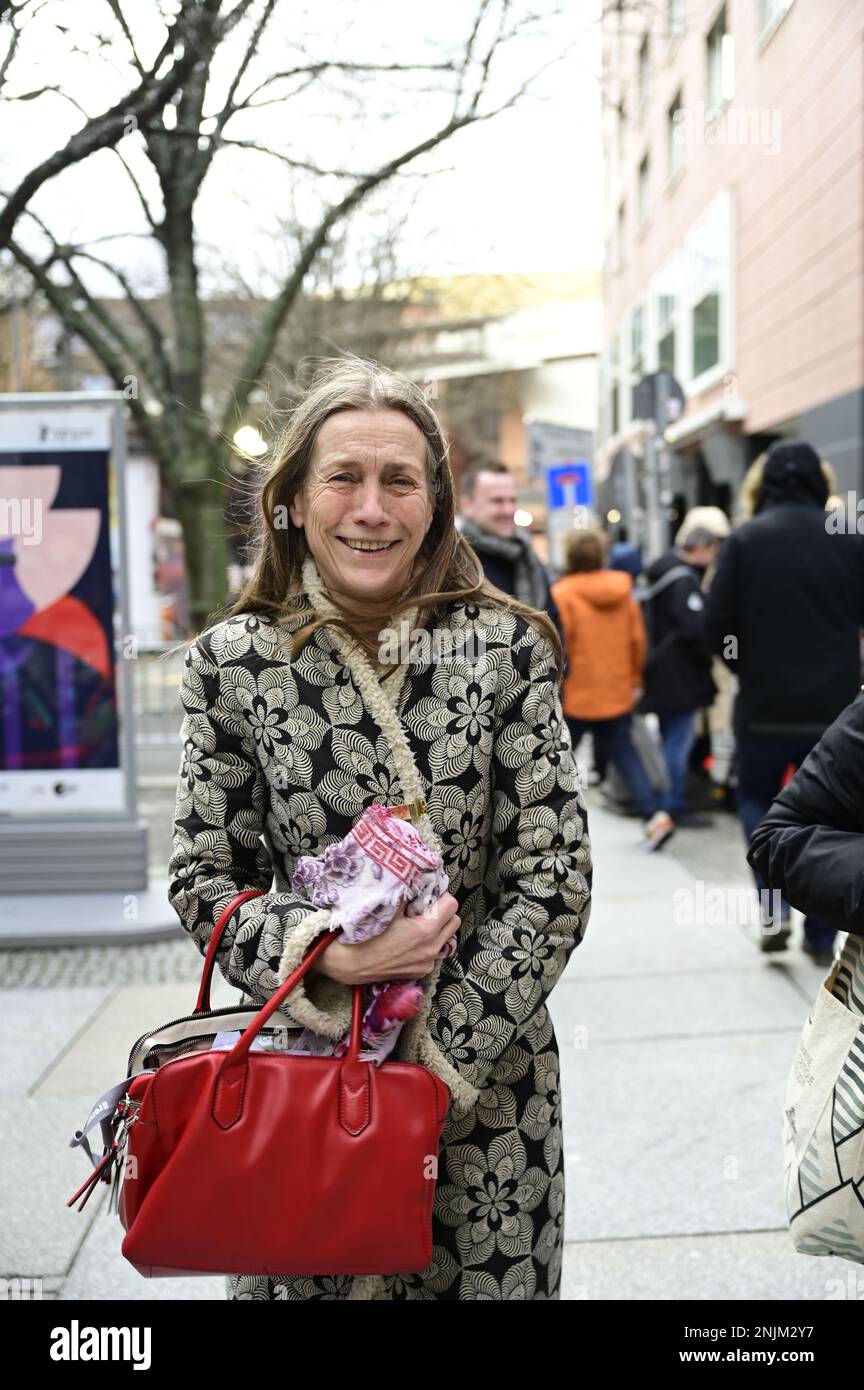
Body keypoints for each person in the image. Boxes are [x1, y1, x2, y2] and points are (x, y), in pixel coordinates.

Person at [167, 358, 592, 1301]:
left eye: (400, 480)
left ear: (436, 504)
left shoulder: (503, 647)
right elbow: (203, 875)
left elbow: (553, 878)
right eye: (343, 479)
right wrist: (319, 955)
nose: (371, 508)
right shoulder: (234, 666)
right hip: (307, 1094)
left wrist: (436, 1069)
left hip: (486, 1093)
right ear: (295, 502)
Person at [705, 440, 864, 966]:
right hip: (836, 711)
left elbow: (715, 623)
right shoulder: (848, 537)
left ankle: (773, 907)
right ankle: (821, 935)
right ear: (821, 482)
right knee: (835, 820)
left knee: (761, 804)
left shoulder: (745, 539)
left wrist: (744, 666)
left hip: (765, 705)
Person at [552, 527, 674, 852]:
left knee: (557, 757)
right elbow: (637, 641)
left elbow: (562, 646)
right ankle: (654, 816)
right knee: (626, 754)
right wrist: (635, 682)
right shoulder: (625, 592)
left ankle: (547, 823)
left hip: (577, 693)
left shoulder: (563, 593)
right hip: (616, 690)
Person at [746, 691, 864, 947]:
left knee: (755, 799)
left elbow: (729, 655)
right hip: (818, 709)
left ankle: (777, 911)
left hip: (767, 713)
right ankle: (818, 938)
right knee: (762, 803)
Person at [638, 507, 729, 827]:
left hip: (661, 674)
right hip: (679, 678)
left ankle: (666, 802)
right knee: (678, 743)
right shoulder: (684, 580)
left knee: (669, 740)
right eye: (714, 550)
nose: (714, 558)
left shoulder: (662, 572)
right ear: (701, 547)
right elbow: (694, 629)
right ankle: (672, 806)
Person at [458, 461, 566, 656]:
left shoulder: (527, 557)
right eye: (497, 501)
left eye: (512, 500)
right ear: (468, 505)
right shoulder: (454, 562)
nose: (508, 510)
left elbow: (554, 624)